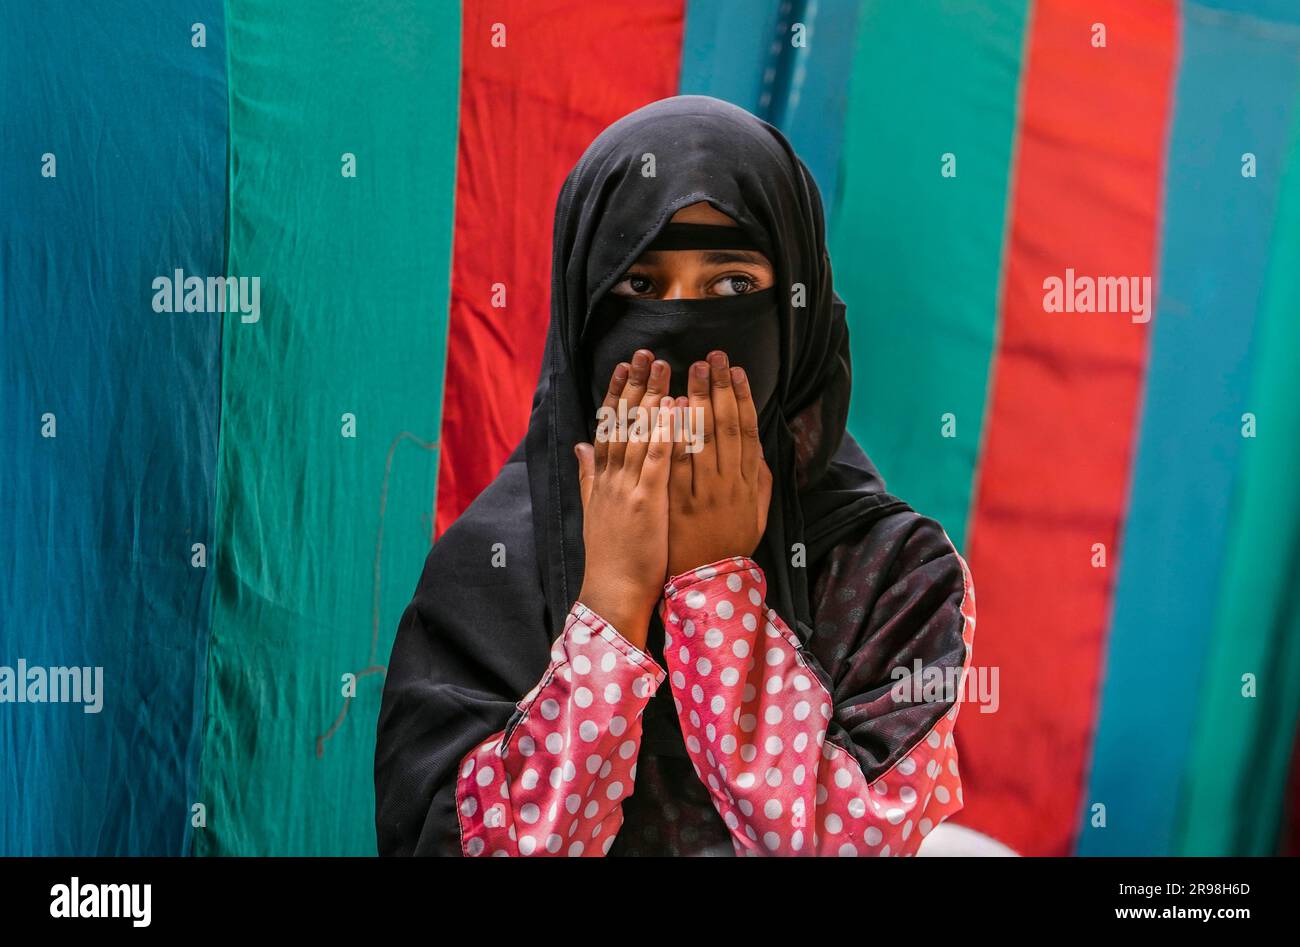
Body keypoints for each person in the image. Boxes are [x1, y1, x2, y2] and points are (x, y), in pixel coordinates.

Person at [373, 94, 975, 857]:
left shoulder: (894, 575)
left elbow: (845, 844)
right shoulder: (490, 573)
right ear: (582, 310)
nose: (684, 332)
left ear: (800, 310)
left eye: (730, 285)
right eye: (642, 288)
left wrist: (715, 586)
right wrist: (612, 603)